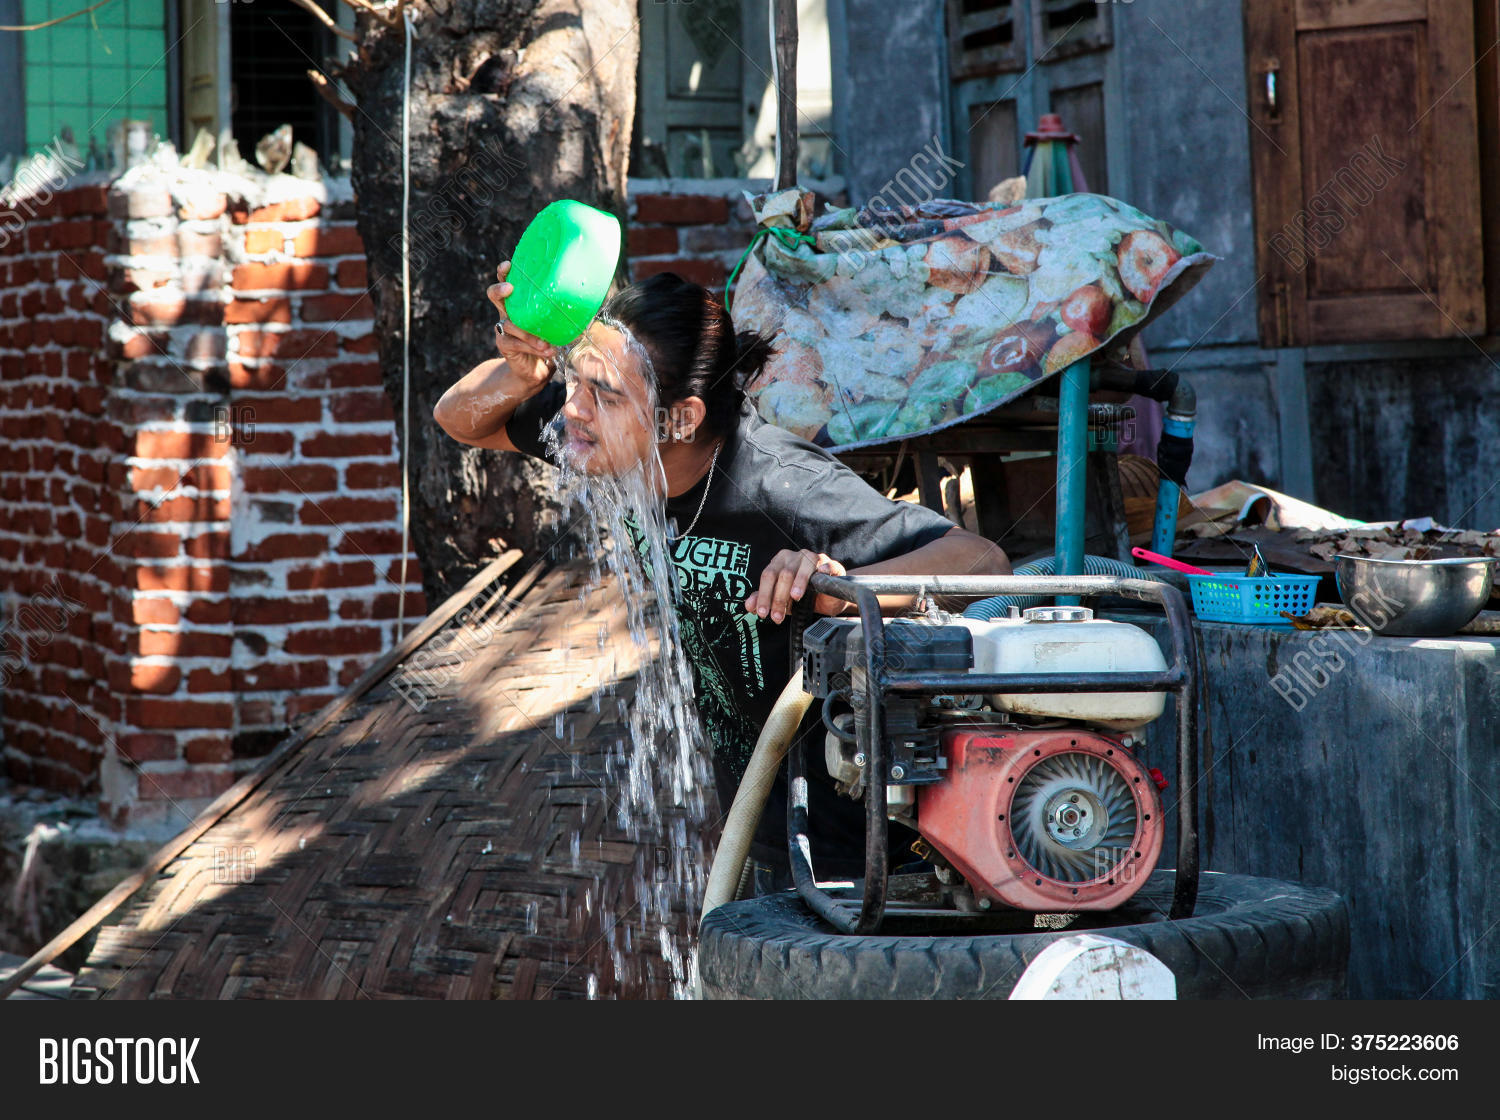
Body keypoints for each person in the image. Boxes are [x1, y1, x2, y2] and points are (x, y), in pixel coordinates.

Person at [434, 263, 1010, 883]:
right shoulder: (607, 434)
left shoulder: (783, 486)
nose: (572, 407)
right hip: (761, 824)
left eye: (601, 393)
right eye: (574, 380)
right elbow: (462, 419)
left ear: (679, 418)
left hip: (872, 845)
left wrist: (838, 584)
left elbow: (983, 561)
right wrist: (522, 374)